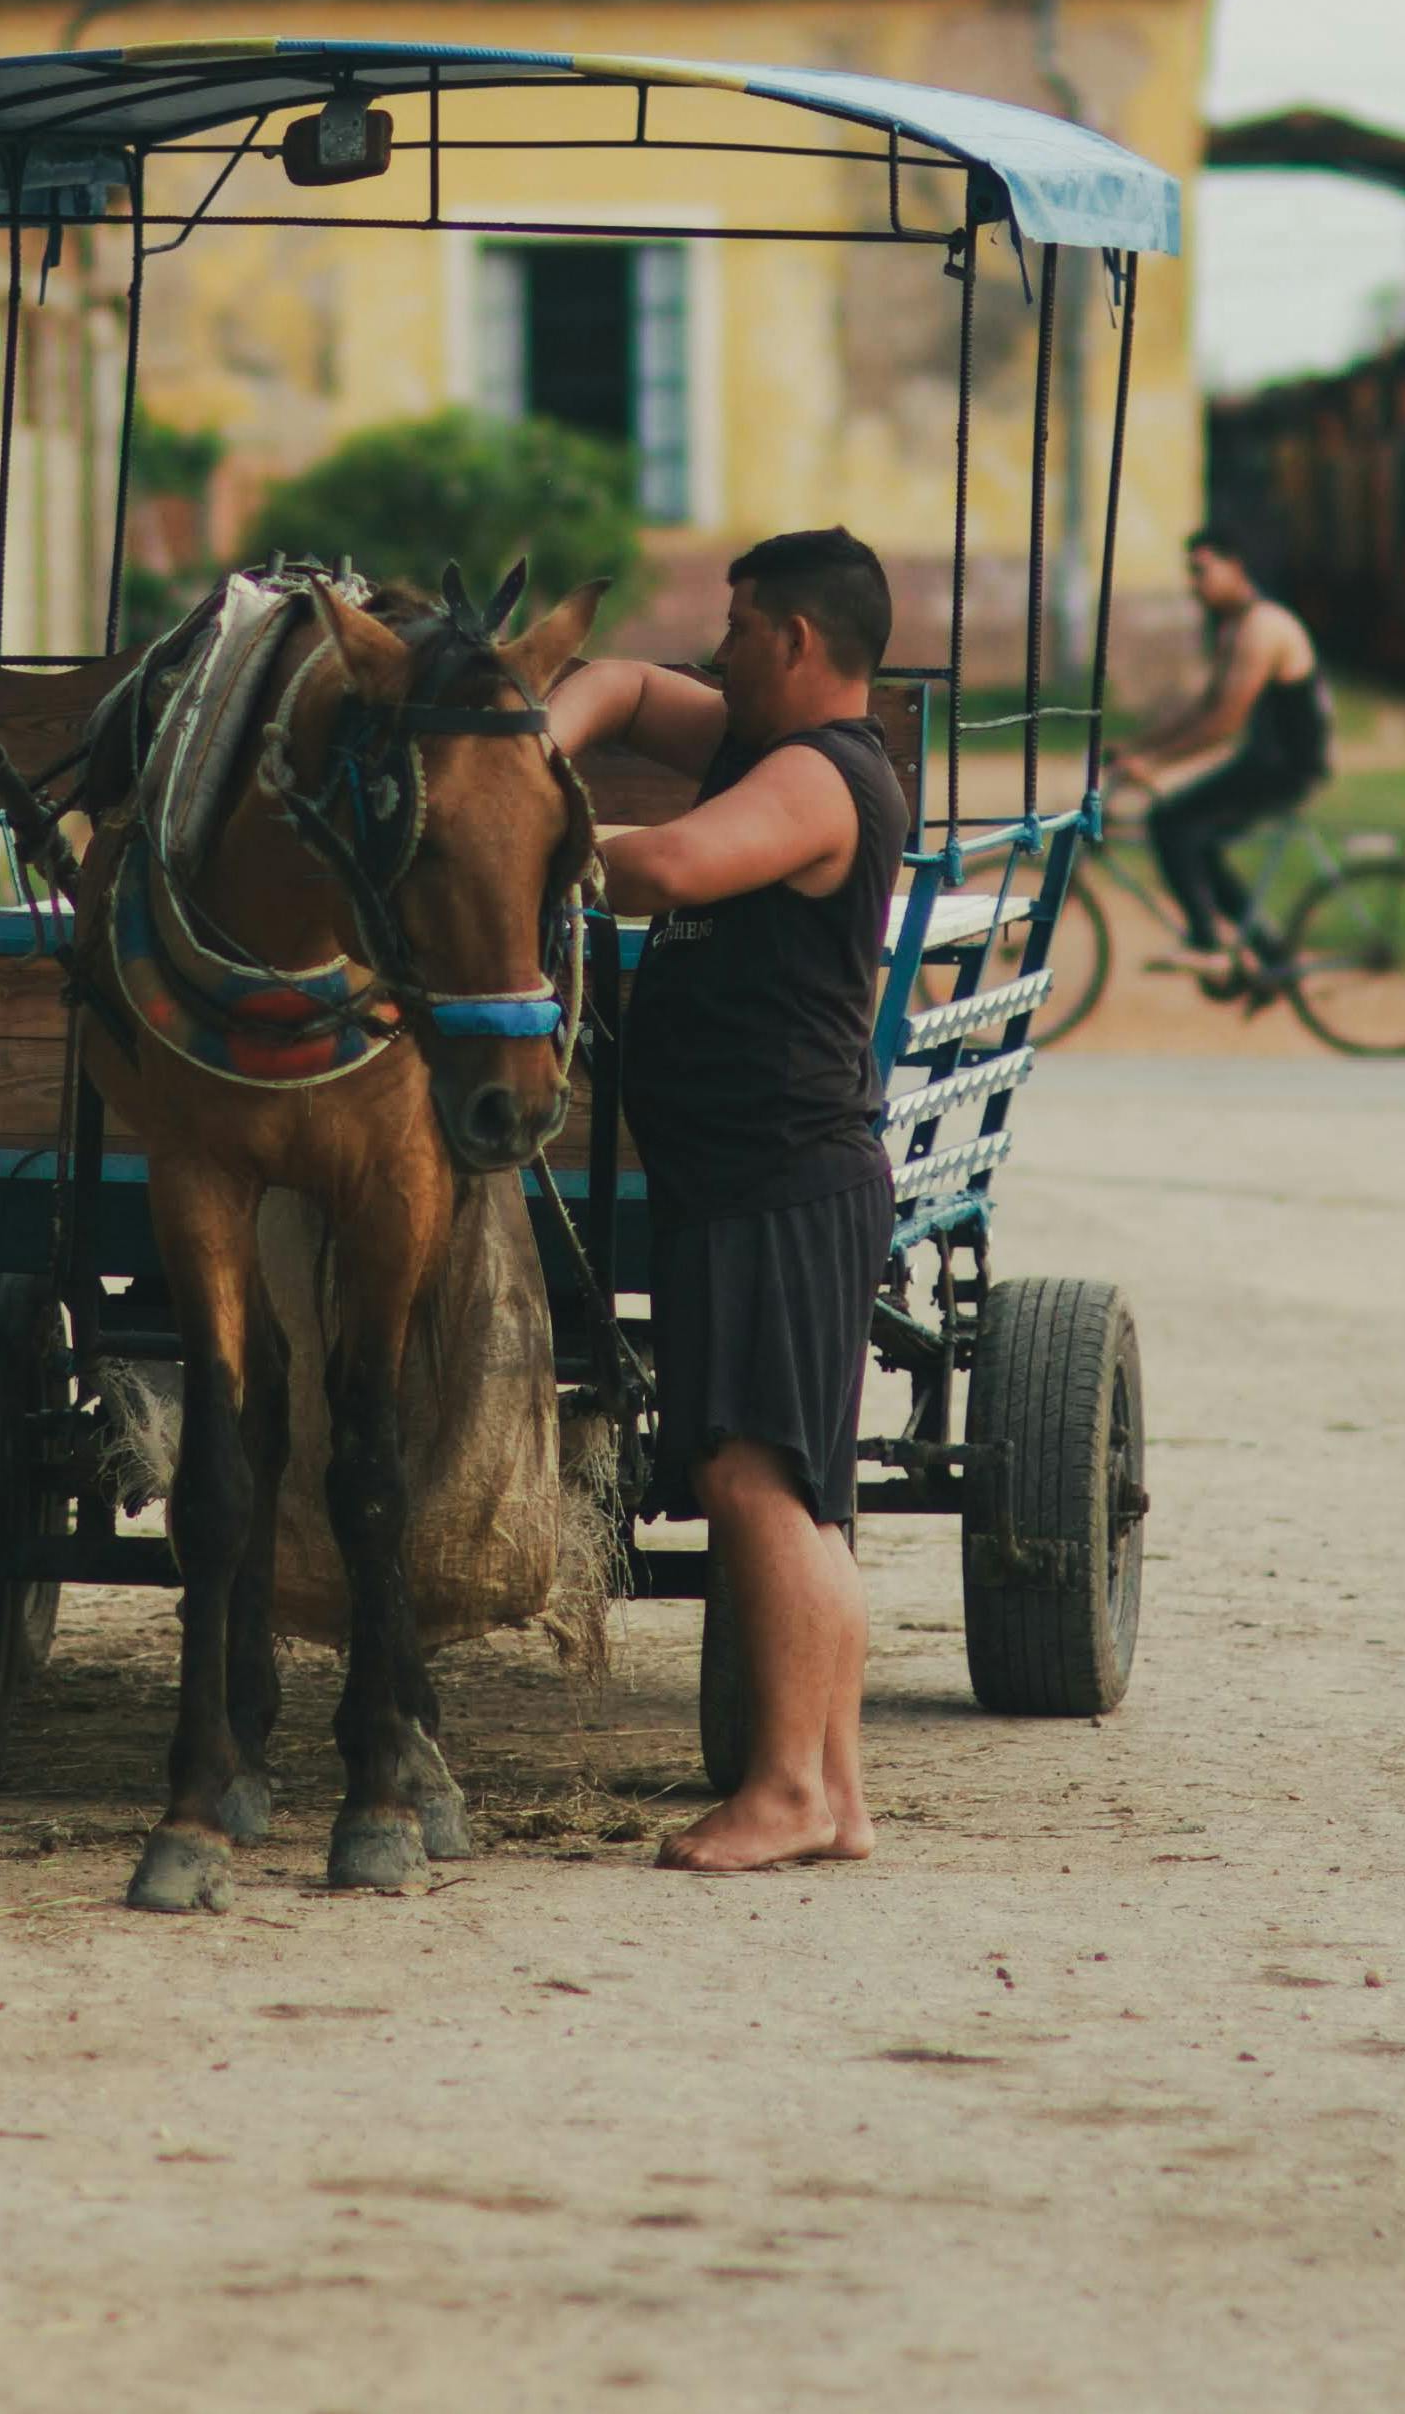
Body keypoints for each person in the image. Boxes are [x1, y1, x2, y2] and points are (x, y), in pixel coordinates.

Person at [546, 527, 906, 1873]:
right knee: (795, 1492)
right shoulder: (766, 745)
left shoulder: (822, 777)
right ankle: (839, 1797)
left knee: (755, 1478)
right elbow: (632, 688)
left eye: (742, 626)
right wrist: (540, 737)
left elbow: (666, 871)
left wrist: (520, 827)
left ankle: (783, 1788)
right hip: (751, 1176)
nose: (721, 645)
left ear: (800, 640)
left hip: (775, 1176)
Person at [1113, 525, 1329, 979]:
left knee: (1169, 822)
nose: (1195, 584)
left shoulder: (1263, 627)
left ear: (1236, 567)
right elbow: (1202, 709)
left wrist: (1152, 764)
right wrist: (1137, 747)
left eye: (1202, 571)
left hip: (1285, 769)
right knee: (1200, 841)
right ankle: (1271, 956)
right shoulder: (1235, 627)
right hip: (1266, 763)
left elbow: (1223, 723)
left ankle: (1207, 944)